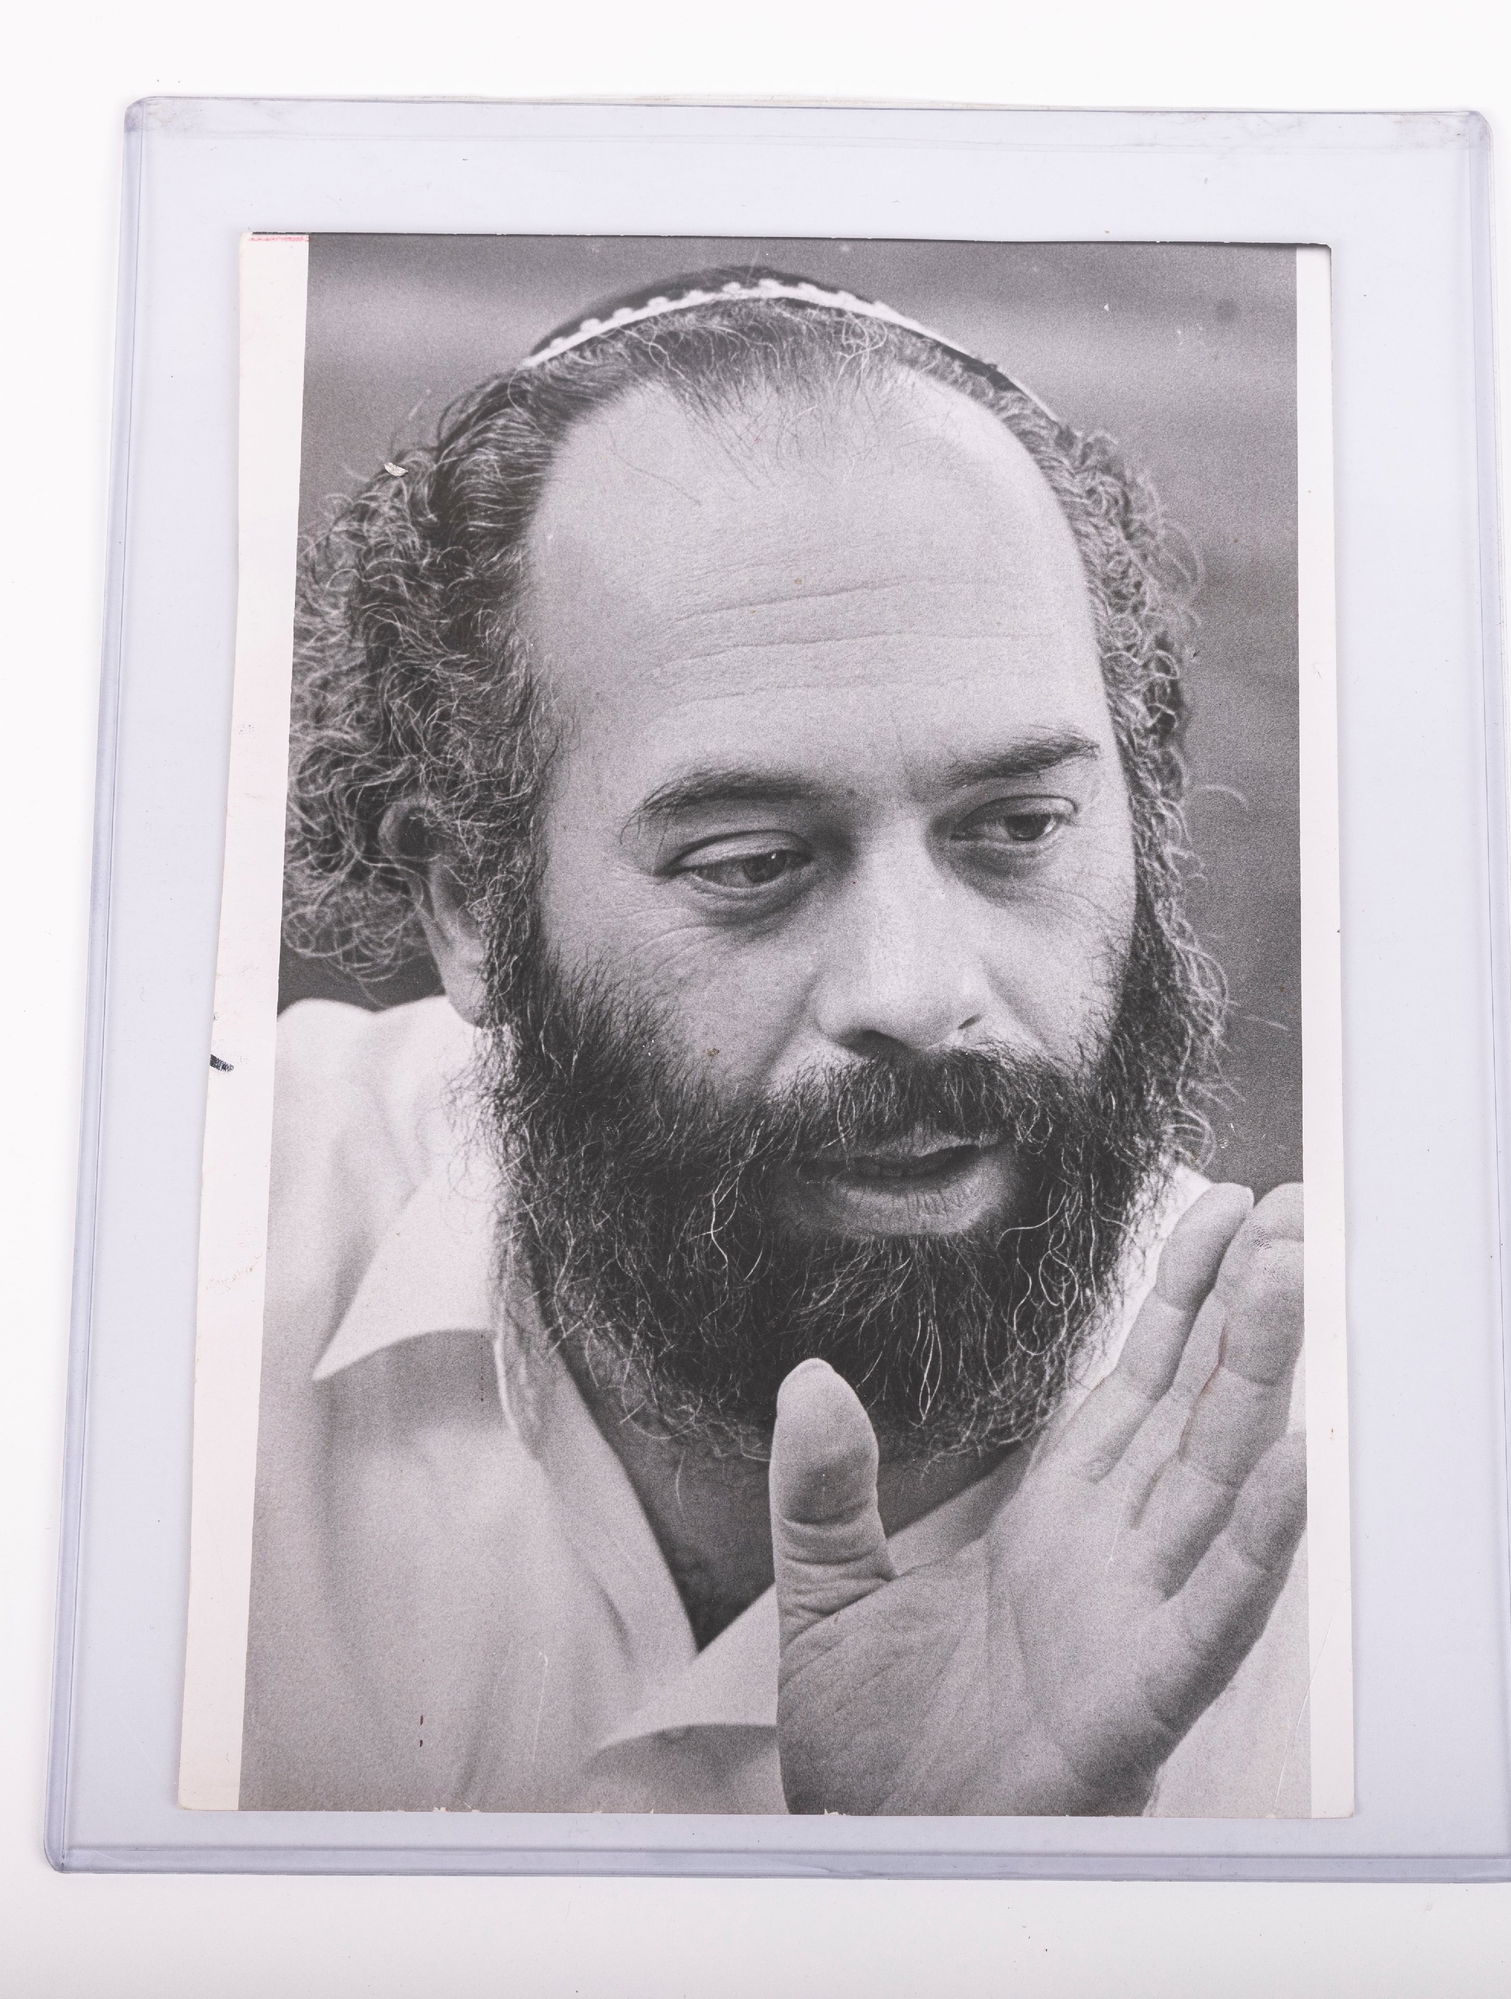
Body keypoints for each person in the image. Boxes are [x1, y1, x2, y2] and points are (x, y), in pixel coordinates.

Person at [241, 271, 1309, 1817]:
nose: (916, 990)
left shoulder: (1396, 1520)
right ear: (473, 903)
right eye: (750, 862)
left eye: (1015, 829)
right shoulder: (152, 1277)